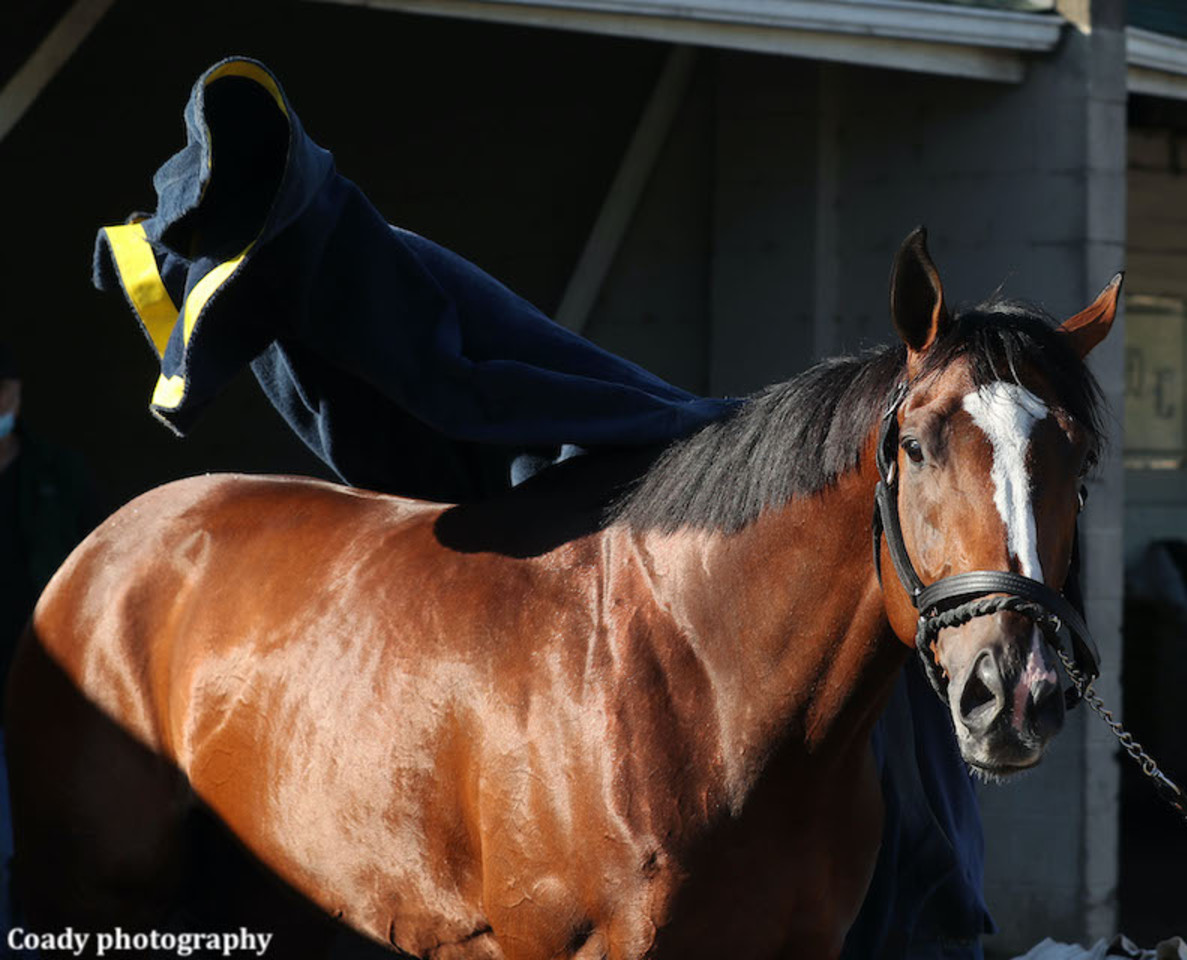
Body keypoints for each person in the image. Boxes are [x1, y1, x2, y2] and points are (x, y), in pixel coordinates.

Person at [93, 58, 993, 957]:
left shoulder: (373, 282)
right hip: (524, 451)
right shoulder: (360, 289)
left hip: (540, 438)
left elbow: (473, 379)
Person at [0, 341, 99, 939]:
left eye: (4, 390)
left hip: (44, 684)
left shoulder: (56, 476)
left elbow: (95, 573)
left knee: (48, 842)